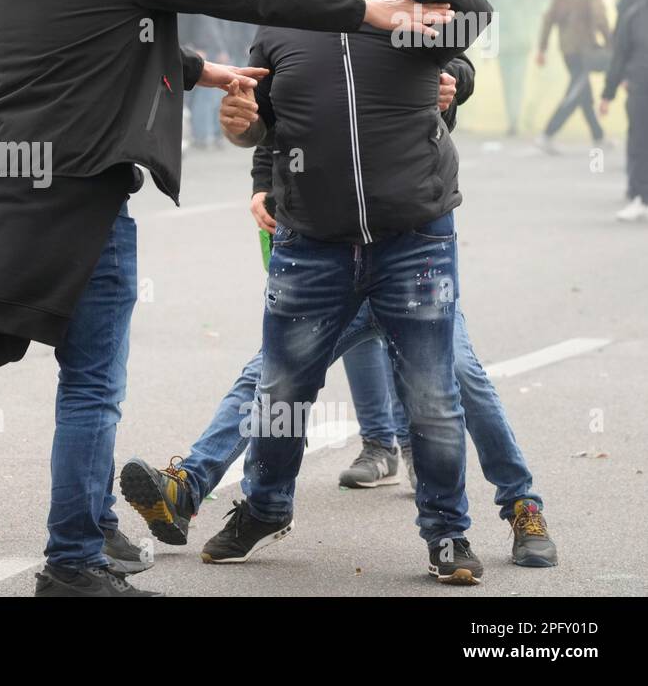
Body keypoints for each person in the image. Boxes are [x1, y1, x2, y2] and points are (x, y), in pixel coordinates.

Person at [0, 0, 453, 596]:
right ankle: (72, 563)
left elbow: (94, 43)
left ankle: (93, 527)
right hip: (85, 200)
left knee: (79, 380)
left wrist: (208, 72)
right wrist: (365, 14)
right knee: (90, 386)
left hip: (11, 197)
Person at [122, 53, 558, 571]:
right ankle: (193, 488)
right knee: (267, 380)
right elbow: (273, 127)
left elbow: (458, 50)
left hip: (408, 255)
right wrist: (262, 184)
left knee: (461, 380)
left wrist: (453, 83)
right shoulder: (297, 23)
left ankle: (522, 506)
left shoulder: (404, 8)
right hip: (329, 261)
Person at [208, 0, 493, 584]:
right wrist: (244, 134)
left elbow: (478, 19)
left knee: (431, 395)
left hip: (414, 240)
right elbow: (263, 122)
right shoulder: (281, 22)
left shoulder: (417, 12)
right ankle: (265, 506)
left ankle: (449, 534)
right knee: (279, 393)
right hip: (312, 244)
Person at [536, 0, 610, 152]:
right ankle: (547, 135)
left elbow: (548, 20)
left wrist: (542, 49)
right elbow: (601, 20)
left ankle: (598, 136)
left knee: (584, 94)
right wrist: (611, 44)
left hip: (567, 51)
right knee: (576, 93)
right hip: (584, 51)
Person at [600, 0, 648, 222]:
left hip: (639, 87)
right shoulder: (636, 14)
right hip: (641, 89)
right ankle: (640, 196)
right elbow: (620, 55)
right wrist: (608, 93)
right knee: (640, 142)